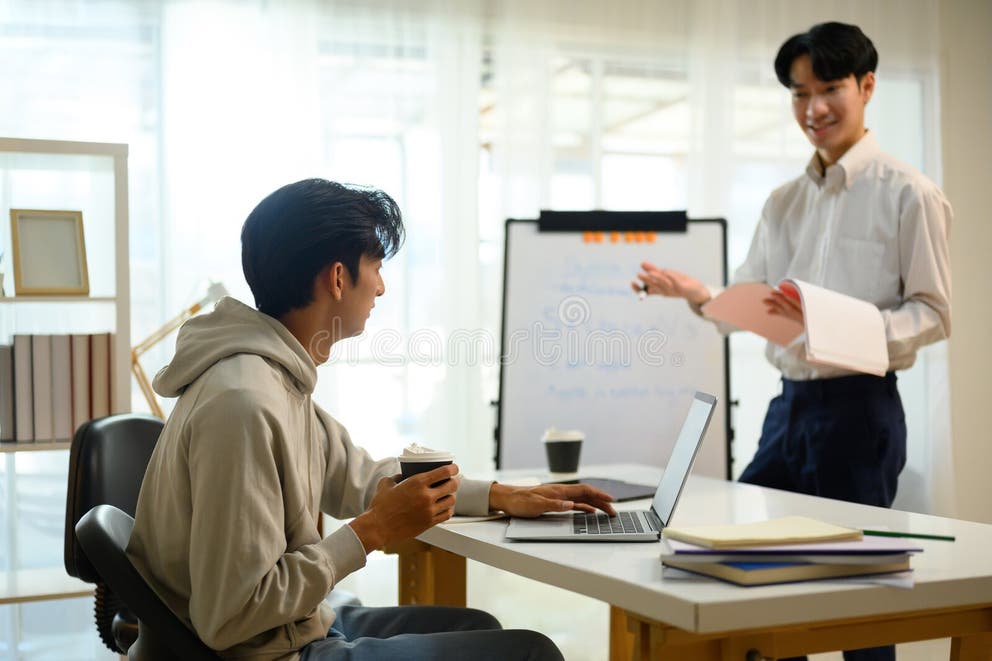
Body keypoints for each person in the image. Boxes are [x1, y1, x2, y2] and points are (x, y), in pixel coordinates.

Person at [127, 178, 616, 661]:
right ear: (339, 278)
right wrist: (370, 531)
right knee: (532, 653)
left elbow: (358, 477)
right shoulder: (244, 403)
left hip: (286, 630)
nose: (381, 287)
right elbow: (232, 615)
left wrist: (497, 495)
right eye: (376, 268)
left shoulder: (275, 380)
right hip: (259, 653)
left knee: (477, 625)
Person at [632, 22, 950, 661]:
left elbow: (933, 313)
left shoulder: (909, 193)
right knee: (743, 570)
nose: (814, 109)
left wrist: (838, 326)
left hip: (861, 409)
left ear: (866, 86)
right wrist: (699, 293)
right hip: (789, 410)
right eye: (800, 94)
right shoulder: (783, 202)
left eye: (829, 89)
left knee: (861, 600)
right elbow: (754, 299)